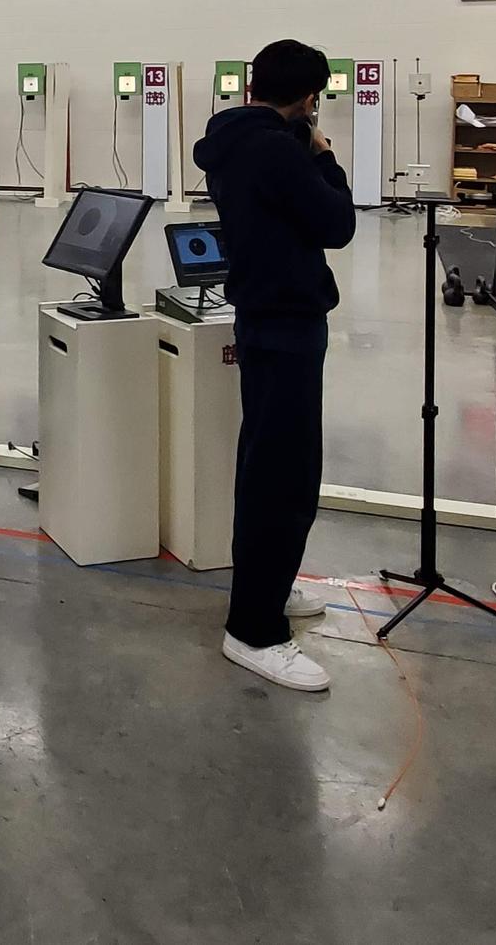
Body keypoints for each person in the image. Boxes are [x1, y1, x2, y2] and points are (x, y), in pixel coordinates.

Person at [190, 39, 358, 693]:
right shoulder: (280, 152)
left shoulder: (232, 140)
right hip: (287, 322)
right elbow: (337, 224)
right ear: (309, 99)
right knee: (284, 480)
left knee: (266, 464)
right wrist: (325, 156)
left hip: (263, 317)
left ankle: (269, 588)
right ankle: (254, 629)